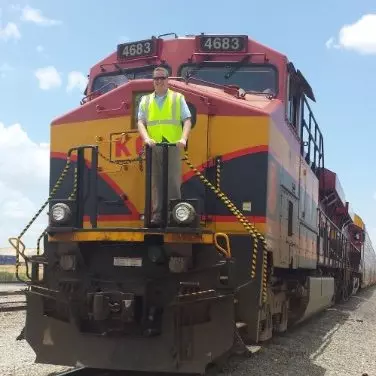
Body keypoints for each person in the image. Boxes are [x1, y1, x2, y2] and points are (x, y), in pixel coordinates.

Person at [137, 66, 192, 226]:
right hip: (153, 146)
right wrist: (146, 138)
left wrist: (183, 138)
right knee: (156, 181)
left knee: (173, 181)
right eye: (156, 79)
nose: (159, 81)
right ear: (153, 81)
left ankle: (173, 215)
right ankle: (157, 215)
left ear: (168, 80)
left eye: (162, 78)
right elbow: (141, 122)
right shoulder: (145, 100)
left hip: (173, 145)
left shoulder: (177, 98)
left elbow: (187, 119)